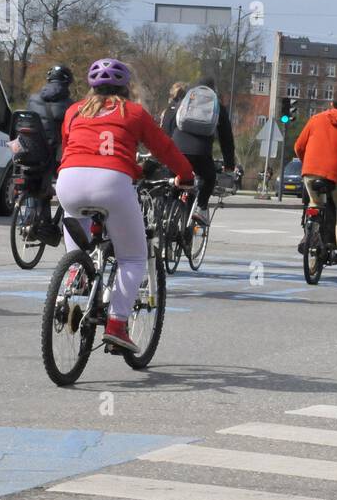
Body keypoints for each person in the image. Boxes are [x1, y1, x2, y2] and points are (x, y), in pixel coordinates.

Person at [57, 58, 194, 353]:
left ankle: (75, 273)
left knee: (73, 216)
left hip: (69, 180)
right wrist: (185, 175)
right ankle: (117, 324)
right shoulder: (133, 113)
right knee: (132, 258)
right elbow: (165, 148)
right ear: (126, 88)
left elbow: (74, 146)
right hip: (112, 185)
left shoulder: (73, 111)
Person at [294, 88, 337, 259]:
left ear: (331, 103)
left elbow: (298, 147)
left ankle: (309, 234)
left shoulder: (315, 119)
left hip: (311, 171)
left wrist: (308, 162)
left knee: (314, 203)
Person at [169, 76, 236, 224]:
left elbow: (170, 124)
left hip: (176, 150)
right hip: (200, 152)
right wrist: (229, 164)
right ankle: (201, 208)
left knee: (174, 181)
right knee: (209, 178)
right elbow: (226, 139)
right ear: (213, 90)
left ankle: (167, 214)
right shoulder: (217, 105)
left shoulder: (185, 100)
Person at [27, 65, 74, 163]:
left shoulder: (32, 99)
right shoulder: (71, 105)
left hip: (32, 152)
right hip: (55, 157)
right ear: (67, 82)